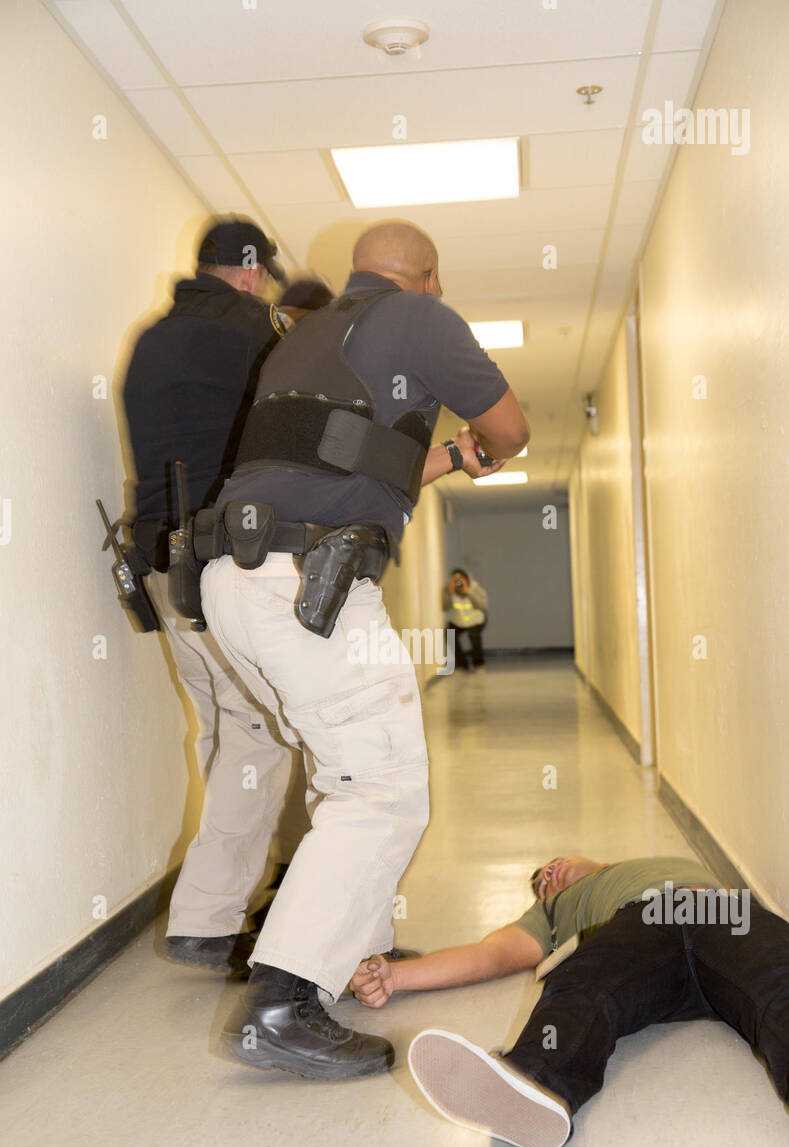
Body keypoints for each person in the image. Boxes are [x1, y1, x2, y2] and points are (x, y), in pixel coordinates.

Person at [198, 218, 530, 1080]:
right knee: (381, 788)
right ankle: (280, 1006)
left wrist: (451, 456)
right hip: (310, 581)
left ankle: (347, 951)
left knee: (342, 771)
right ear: (428, 276)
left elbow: (355, 461)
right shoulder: (425, 317)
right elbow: (515, 427)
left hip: (237, 580)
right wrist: (489, 444)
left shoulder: (303, 336)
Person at [348, 853, 789, 1147]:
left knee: (785, 993)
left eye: (554, 863)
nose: (549, 874)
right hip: (641, 928)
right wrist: (397, 975)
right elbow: (491, 955)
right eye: (542, 882)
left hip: (724, 912)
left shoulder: (635, 865)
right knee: (582, 986)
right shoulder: (555, 912)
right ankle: (533, 1084)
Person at [121, 215, 299, 978]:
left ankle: (229, 896)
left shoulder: (150, 340)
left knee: (221, 732)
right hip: (222, 563)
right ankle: (207, 917)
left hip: (160, 561)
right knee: (262, 733)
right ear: (255, 272)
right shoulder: (256, 332)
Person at [442, 568, 488, 671]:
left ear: (466, 579)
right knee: (449, 634)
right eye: (455, 580)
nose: (458, 582)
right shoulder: (449, 589)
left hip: (476, 620)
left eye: (460, 579)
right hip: (459, 621)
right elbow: (445, 607)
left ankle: (479, 663)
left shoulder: (475, 588)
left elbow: (482, 605)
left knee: (474, 635)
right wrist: (448, 593)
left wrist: (468, 592)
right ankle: (461, 664)